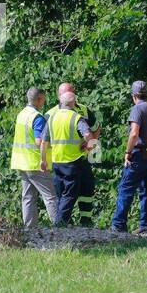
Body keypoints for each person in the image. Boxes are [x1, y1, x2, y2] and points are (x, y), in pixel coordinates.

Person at [111, 80, 147, 234]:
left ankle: (119, 224)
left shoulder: (137, 109)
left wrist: (128, 152)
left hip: (139, 154)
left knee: (126, 188)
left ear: (134, 95)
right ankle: (146, 226)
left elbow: (134, 133)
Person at [47, 83, 100, 226]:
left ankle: (85, 220)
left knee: (86, 188)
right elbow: (43, 138)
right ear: (59, 96)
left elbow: (96, 129)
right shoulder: (51, 113)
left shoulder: (84, 110)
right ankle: (63, 221)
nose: (71, 96)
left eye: (72, 92)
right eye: (66, 93)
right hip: (61, 158)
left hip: (80, 158)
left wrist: (91, 145)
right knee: (64, 191)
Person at [10, 86, 57, 228]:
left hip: (21, 162)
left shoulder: (22, 114)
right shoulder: (37, 118)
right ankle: (59, 226)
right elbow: (39, 142)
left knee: (28, 197)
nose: (44, 102)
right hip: (35, 163)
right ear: (39, 99)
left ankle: (29, 228)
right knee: (51, 197)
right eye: (43, 99)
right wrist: (50, 149)